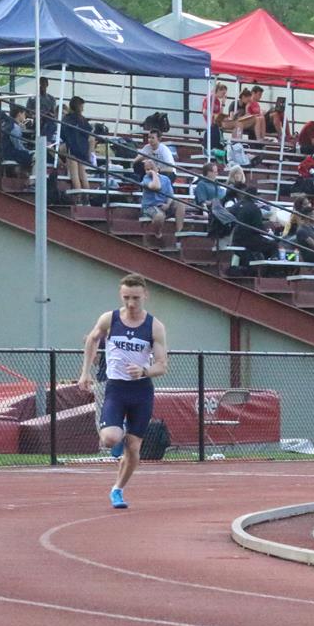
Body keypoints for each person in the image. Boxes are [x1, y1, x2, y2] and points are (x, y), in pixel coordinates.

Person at [75, 273, 169, 510]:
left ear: (145, 295)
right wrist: (85, 372)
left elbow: (162, 365)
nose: (131, 303)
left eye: (136, 298)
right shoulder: (110, 319)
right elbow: (92, 339)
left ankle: (117, 489)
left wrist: (144, 370)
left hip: (141, 391)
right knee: (110, 438)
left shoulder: (154, 326)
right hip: (116, 388)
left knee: (134, 448)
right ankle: (120, 428)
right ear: (121, 295)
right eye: (126, 297)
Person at [136, 155, 177, 249]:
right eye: (147, 169)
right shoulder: (145, 179)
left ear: (158, 168)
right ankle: (158, 234)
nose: (149, 171)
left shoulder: (166, 179)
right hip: (149, 206)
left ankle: (179, 233)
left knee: (180, 205)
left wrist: (167, 204)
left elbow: (170, 195)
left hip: (163, 204)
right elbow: (156, 187)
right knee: (159, 216)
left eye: (152, 168)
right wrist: (154, 174)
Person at [58, 96, 94, 195]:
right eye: (82, 106)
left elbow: (62, 135)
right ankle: (87, 198)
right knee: (83, 174)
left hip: (72, 148)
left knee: (75, 175)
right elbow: (90, 136)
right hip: (82, 149)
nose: (83, 108)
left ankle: (79, 199)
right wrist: (89, 152)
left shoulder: (67, 119)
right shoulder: (83, 120)